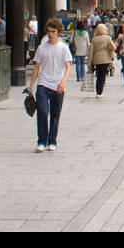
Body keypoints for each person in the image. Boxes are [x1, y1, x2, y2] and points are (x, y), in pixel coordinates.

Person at [28, 18, 73, 152]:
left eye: (53, 31)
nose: (50, 34)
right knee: (42, 111)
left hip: (58, 84)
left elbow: (68, 66)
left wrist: (63, 81)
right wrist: (31, 86)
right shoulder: (42, 48)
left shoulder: (64, 48)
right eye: (48, 31)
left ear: (58, 32)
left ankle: (52, 141)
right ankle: (42, 141)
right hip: (43, 83)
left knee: (55, 114)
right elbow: (36, 67)